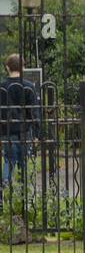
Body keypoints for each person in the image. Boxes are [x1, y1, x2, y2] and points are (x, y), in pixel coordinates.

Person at [0, 53, 43, 188]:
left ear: (7, 67)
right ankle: (24, 189)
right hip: (26, 130)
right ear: (23, 67)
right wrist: (37, 134)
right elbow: (34, 112)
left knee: (8, 159)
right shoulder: (29, 86)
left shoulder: (2, 87)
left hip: (7, 130)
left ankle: (6, 182)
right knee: (24, 161)